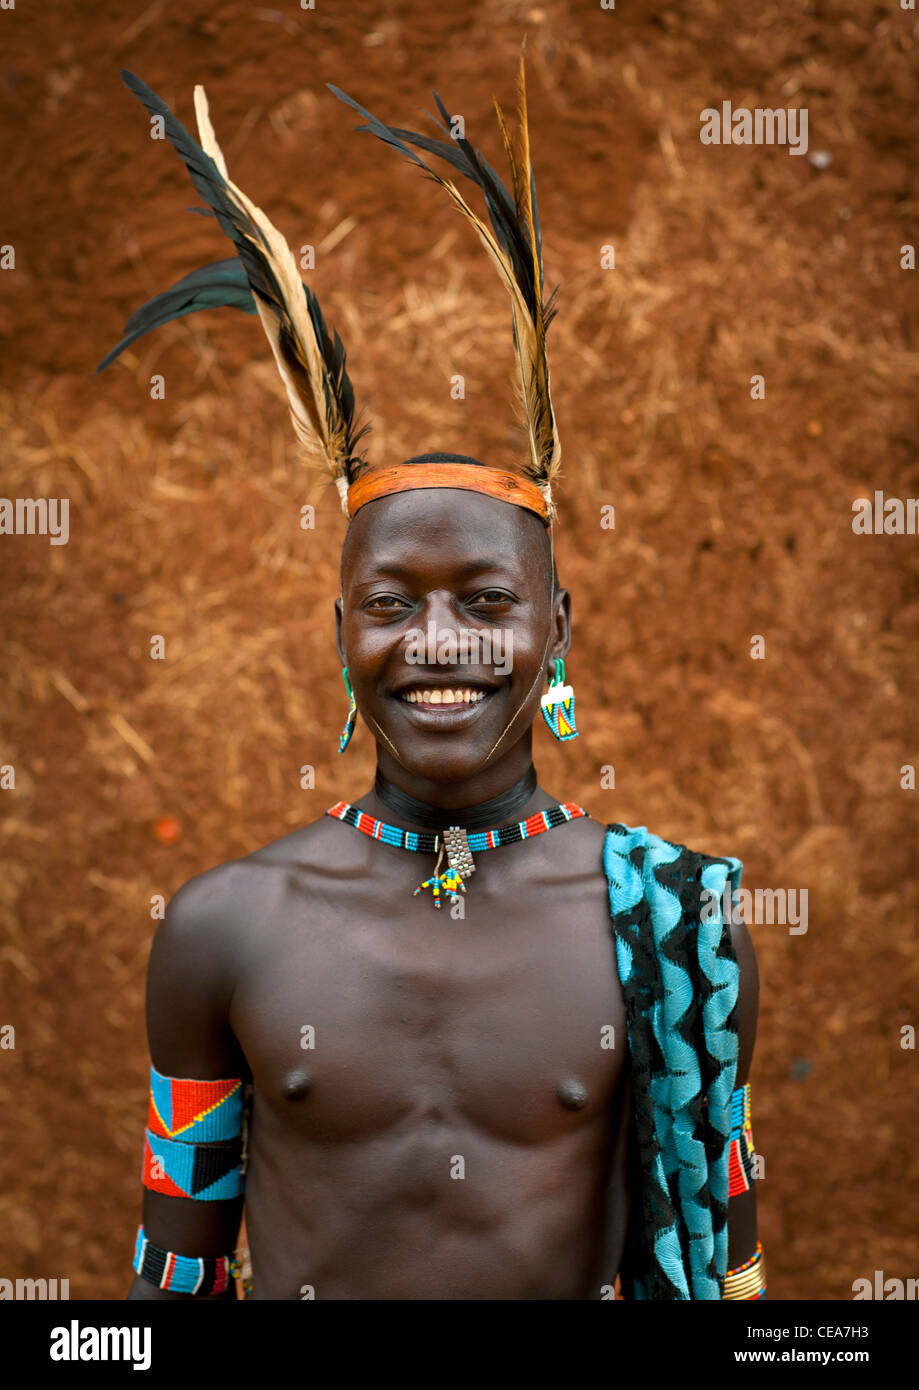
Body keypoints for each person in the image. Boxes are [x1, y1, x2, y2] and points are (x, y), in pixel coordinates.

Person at [103, 59, 764, 1301]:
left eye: (489, 602)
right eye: (392, 605)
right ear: (339, 630)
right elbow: (168, 1282)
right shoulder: (222, 929)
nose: (440, 642)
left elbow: (725, 1278)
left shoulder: (679, 926)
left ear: (555, 630)